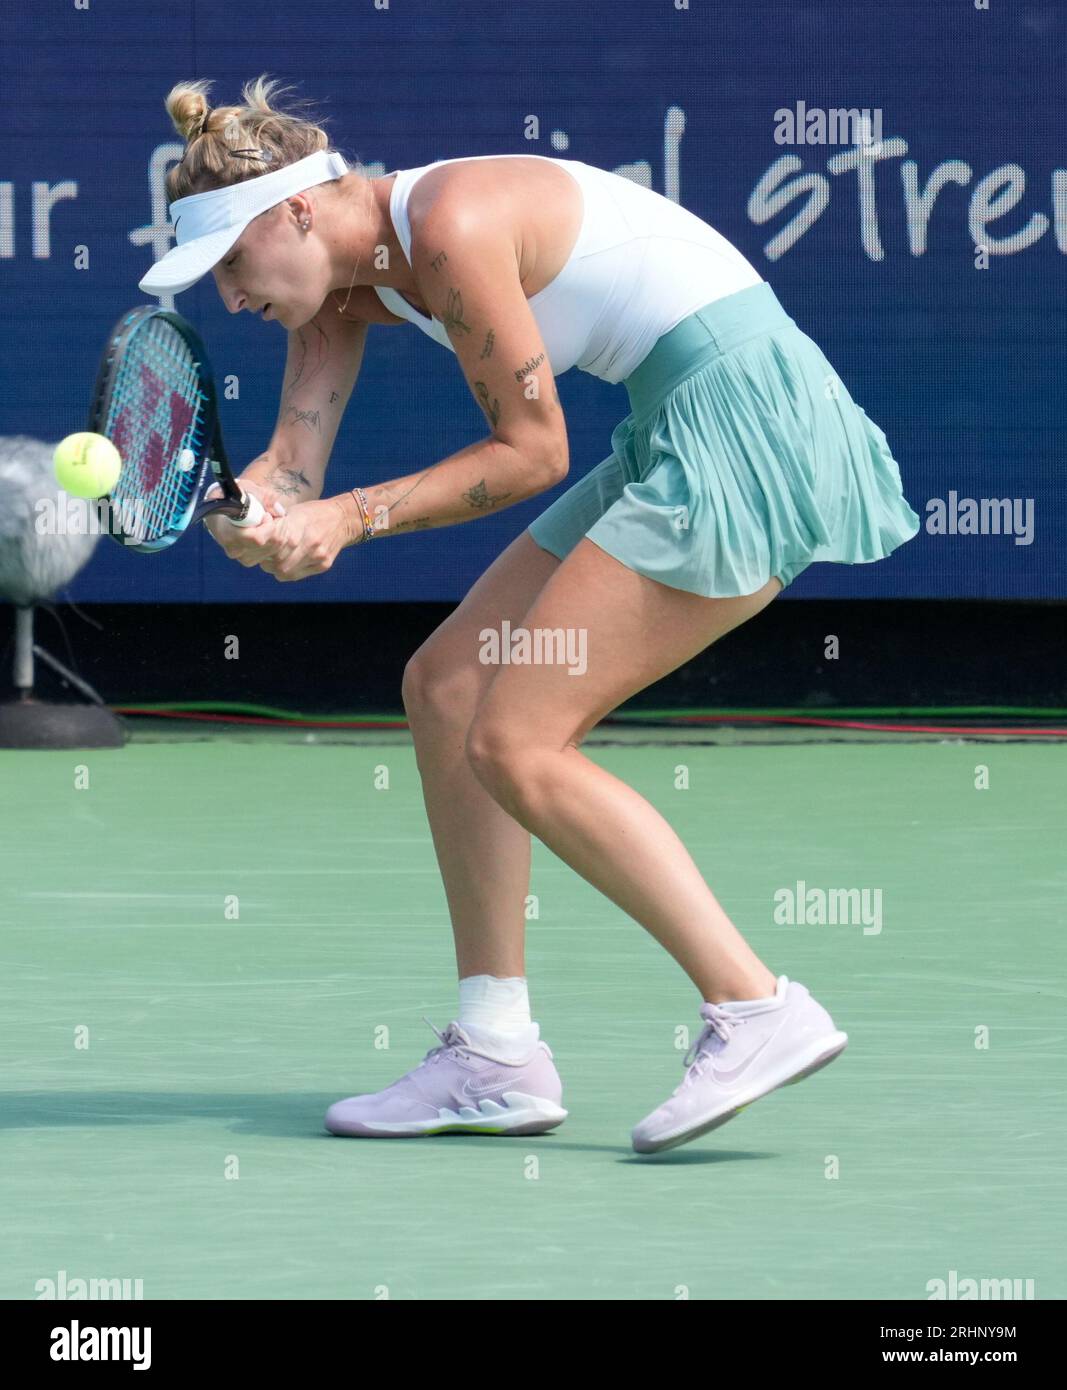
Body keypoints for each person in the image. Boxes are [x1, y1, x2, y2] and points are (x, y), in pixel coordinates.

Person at [141, 76, 920, 1154]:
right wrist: (270, 503)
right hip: (674, 420)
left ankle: (753, 1005)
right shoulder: (335, 282)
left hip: (746, 422)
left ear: (298, 212)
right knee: (448, 687)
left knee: (515, 740)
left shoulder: (451, 225)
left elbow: (532, 452)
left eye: (231, 265)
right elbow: (294, 458)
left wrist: (348, 521)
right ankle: (493, 1053)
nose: (228, 297)